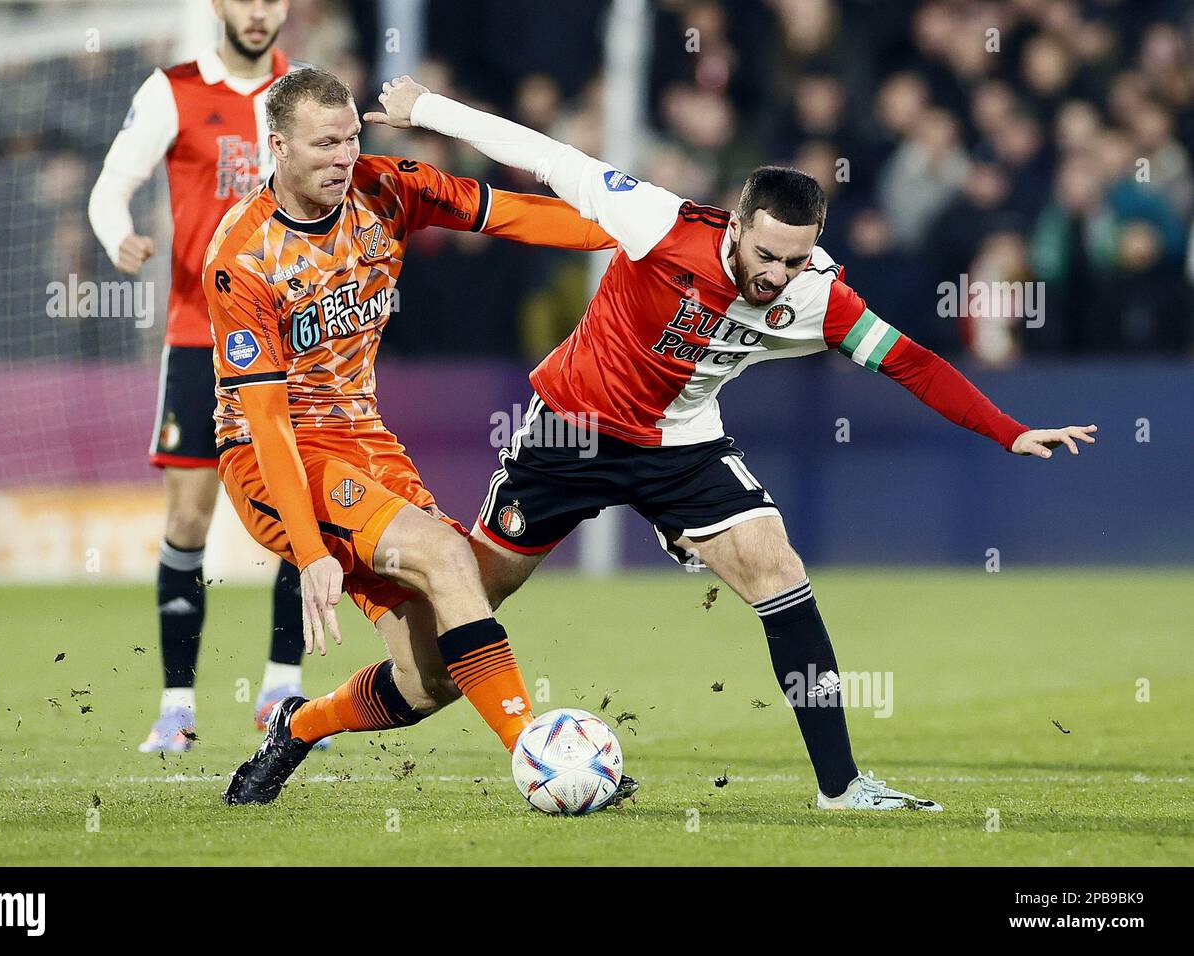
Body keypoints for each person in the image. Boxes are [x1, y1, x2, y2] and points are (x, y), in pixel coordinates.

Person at [364, 75, 1099, 812]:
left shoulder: (818, 293)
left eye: (796, 260)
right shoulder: (656, 220)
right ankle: (306, 726)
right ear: (738, 224)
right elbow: (547, 155)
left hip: (682, 446)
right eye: (768, 255)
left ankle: (841, 788)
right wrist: (426, 109)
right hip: (571, 433)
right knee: (446, 641)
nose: (777, 276)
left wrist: (1010, 430)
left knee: (777, 567)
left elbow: (911, 362)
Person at [209, 68, 631, 807]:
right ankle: (542, 759)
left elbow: (510, 215)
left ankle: (298, 728)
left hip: (364, 438)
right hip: (274, 455)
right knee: (444, 556)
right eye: (324, 144)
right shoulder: (241, 257)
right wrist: (309, 554)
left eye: (351, 139)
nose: (344, 157)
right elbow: (270, 419)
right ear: (277, 146)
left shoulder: (388, 187)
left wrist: (637, 230)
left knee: (431, 675)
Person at [89, 0, 307, 752]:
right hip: (198, 336)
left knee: (296, 510)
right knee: (187, 520)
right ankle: (177, 706)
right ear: (219, 4)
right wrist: (119, 237)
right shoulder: (172, 89)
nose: (258, 12)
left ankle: (284, 685)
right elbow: (109, 187)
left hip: (287, 338)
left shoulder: (303, 92)